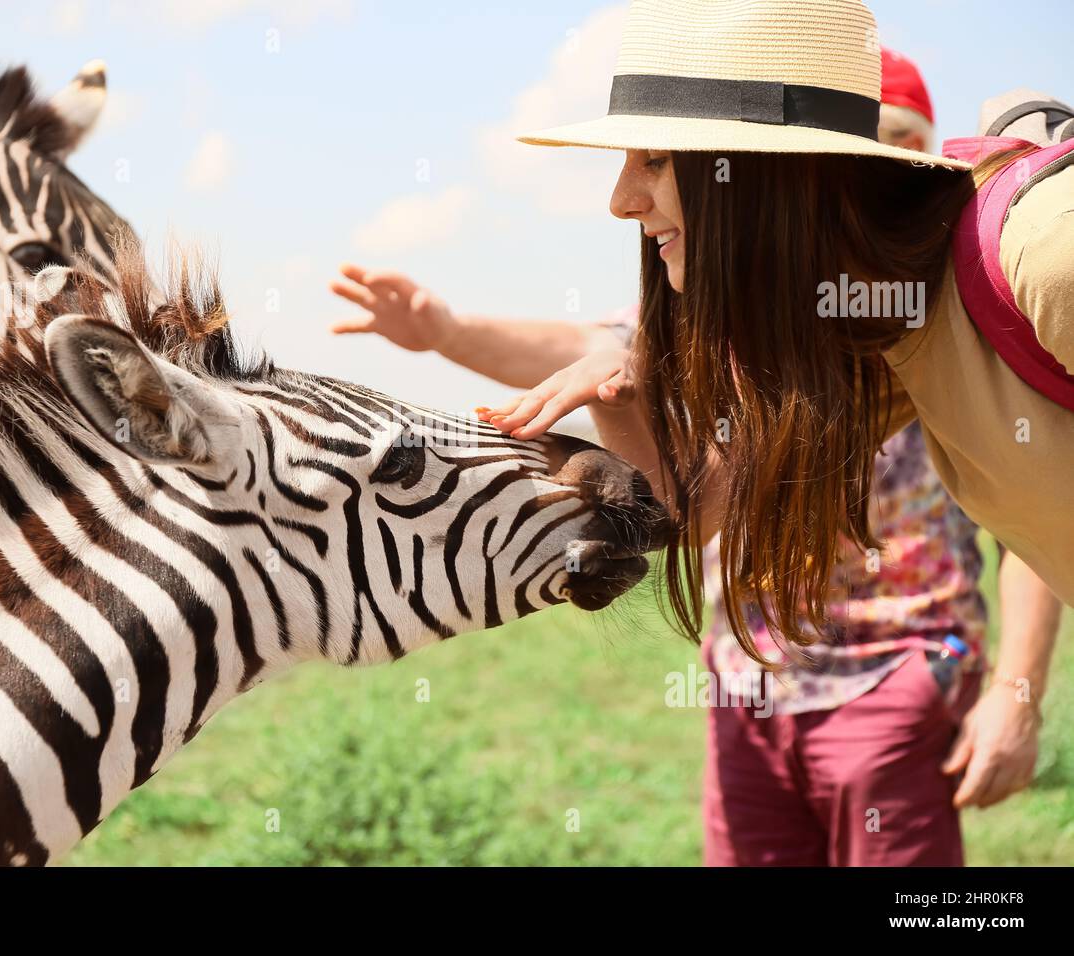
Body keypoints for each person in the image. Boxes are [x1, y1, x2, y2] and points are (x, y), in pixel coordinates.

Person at [329, 45, 1063, 864]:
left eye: (659, 157)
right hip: (751, 677)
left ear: (782, 171)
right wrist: (609, 389)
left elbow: (1026, 521)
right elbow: (698, 504)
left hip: (896, 672)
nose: (618, 201)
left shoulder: (1033, 258)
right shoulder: (855, 343)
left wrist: (1015, 690)